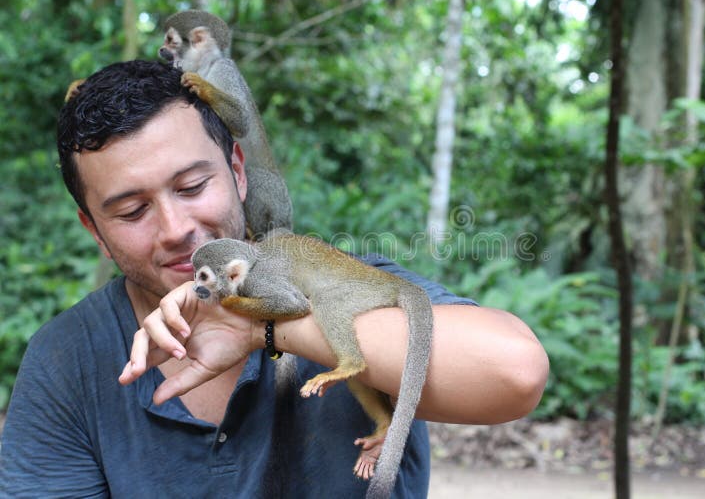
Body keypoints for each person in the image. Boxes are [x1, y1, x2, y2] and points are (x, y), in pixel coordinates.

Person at [0, 60, 548, 498]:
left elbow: (515, 372)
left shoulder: (333, 279)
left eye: (192, 187)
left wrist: (263, 327)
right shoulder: (67, 359)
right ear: (94, 229)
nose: (176, 230)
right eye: (131, 211)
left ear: (238, 172)